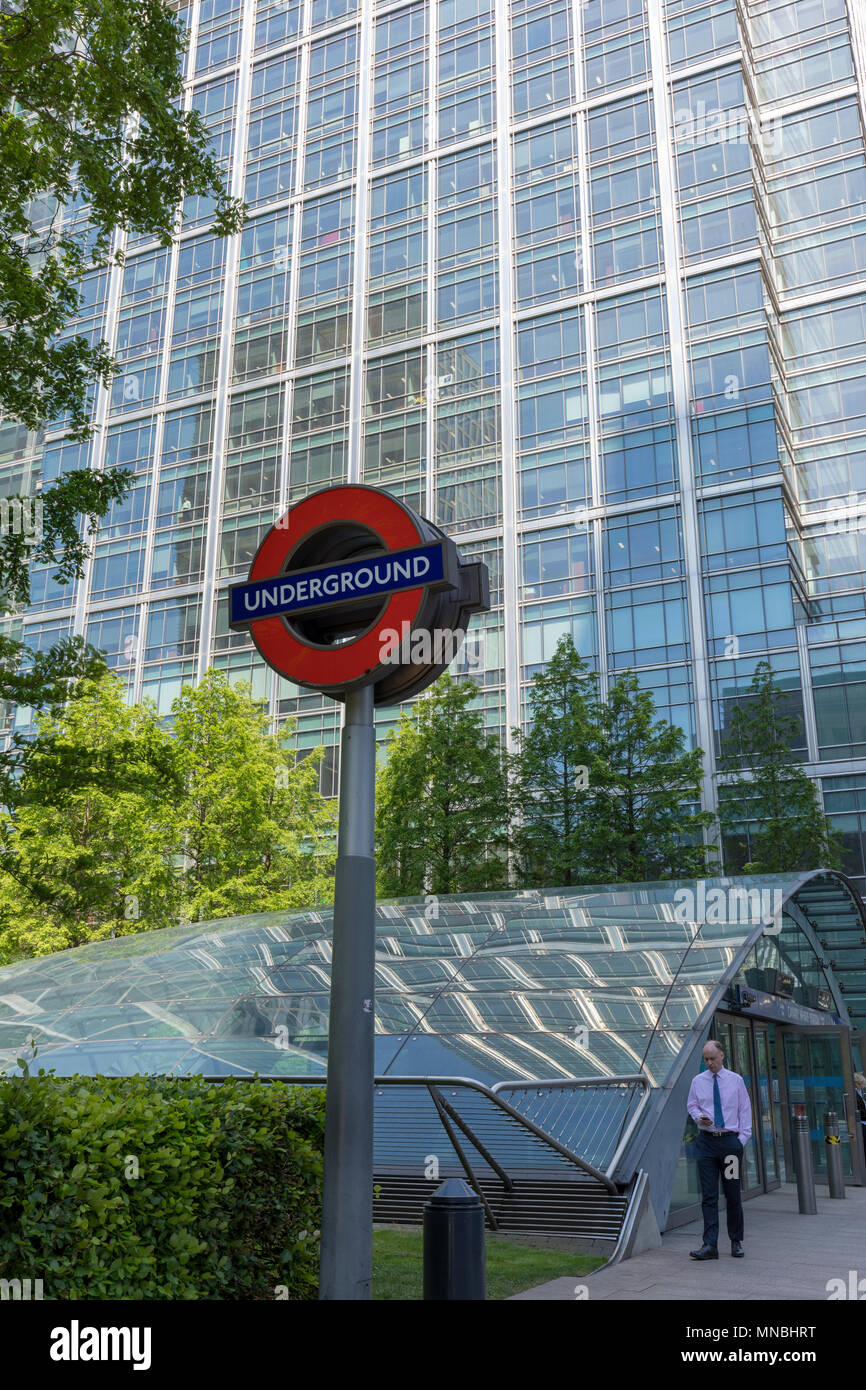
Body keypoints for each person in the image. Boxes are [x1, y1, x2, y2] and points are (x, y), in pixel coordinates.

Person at [686, 1038, 752, 1261]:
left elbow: (745, 1110)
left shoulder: (736, 1081)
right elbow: (692, 1105)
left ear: (722, 1056)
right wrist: (698, 1118)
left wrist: (740, 1141)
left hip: (729, 1144)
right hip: (706, 1144)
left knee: (732, 1194)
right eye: (706, 1059)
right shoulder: (698, 1081)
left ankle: (736, 1241)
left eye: (712, 1058)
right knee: (709, 1196)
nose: (709, 1063)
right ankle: (709, 1244)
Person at [855, 1072, 866, 1167]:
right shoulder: (854, 1095)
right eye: (861, 1084)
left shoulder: (859, 1093)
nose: (862, 1087)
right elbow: (858, 1111)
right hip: (861, 1123)